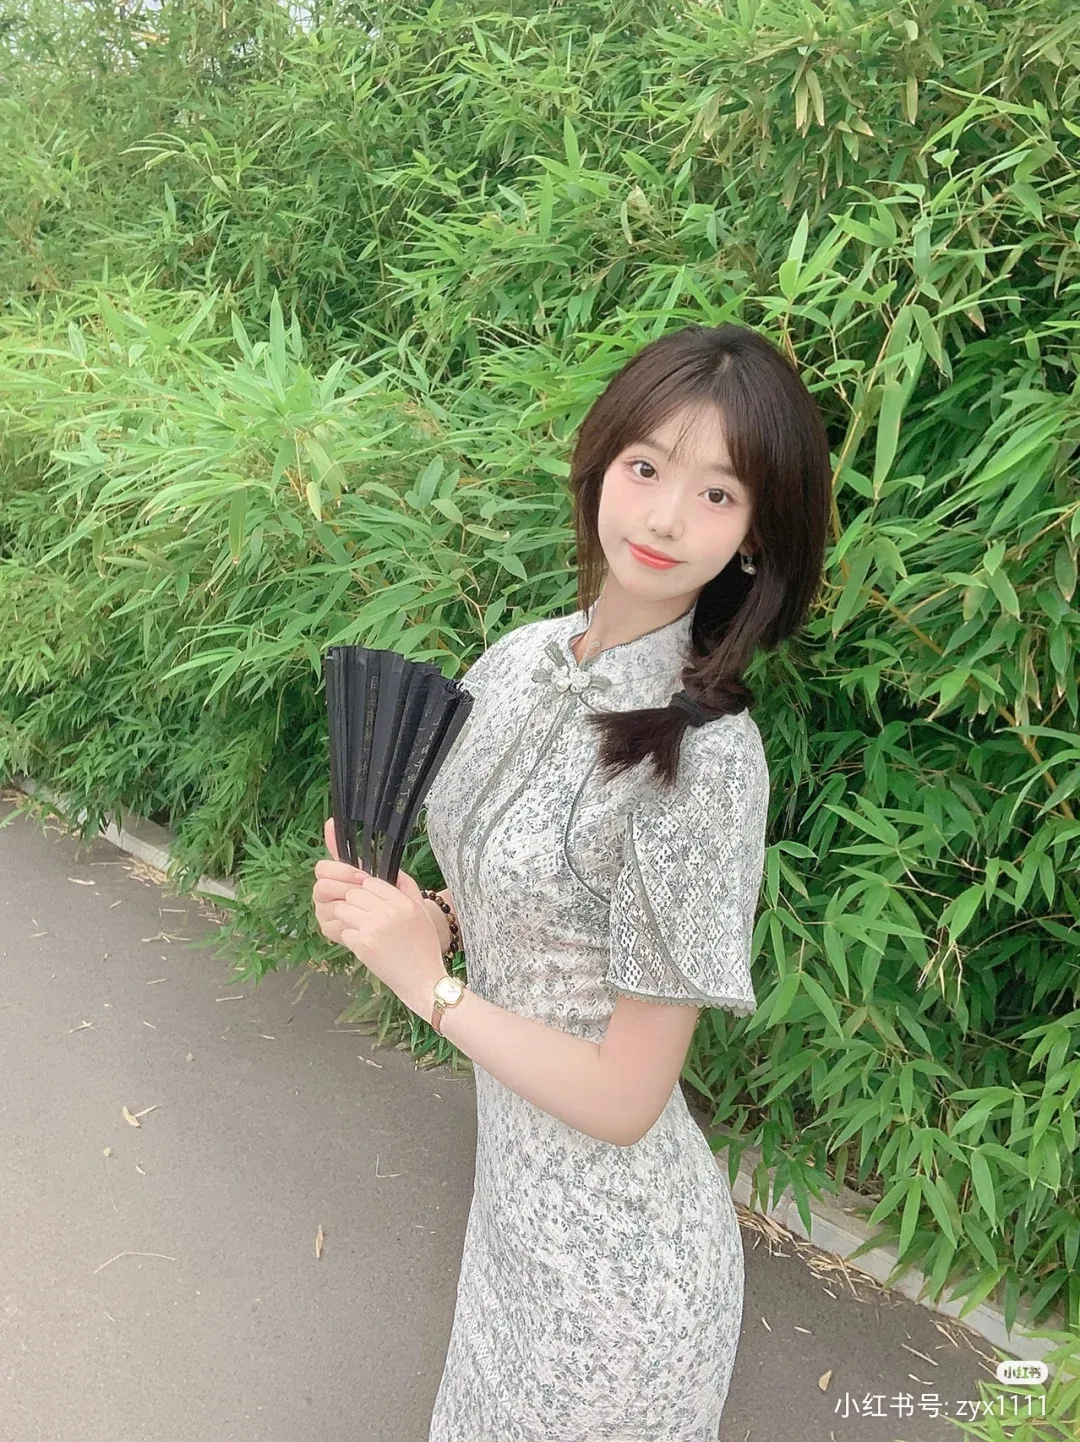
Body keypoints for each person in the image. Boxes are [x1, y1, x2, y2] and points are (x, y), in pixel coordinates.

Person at [316, 321, 831, 1439]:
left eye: (716, 493)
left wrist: (426, 985)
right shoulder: (520, 660)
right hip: (509, 1221)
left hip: (619, 1283)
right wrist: (416, 916)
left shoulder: (707, 763)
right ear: (600, 466)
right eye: (646, 468)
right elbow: (520, 895)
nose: (665, 517)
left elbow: (624, 1096)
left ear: (754, 534)